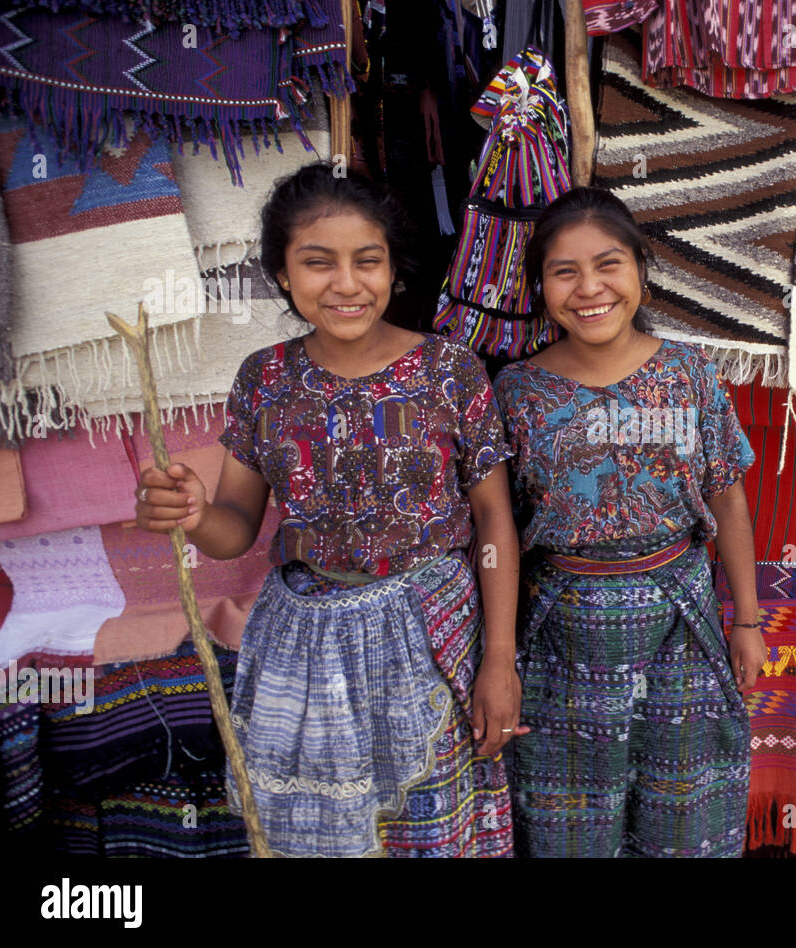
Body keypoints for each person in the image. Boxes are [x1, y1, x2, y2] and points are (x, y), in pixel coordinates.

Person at [133, 162, 527, 857]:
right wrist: (193, 513)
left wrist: (499, 658)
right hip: (306, 648)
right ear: (283, 274)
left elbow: (494, 520)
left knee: (428, 825)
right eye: (318, 263)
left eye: (366, 261)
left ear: (393, 270)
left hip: (432, 637)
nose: (346, 284)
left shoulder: (449, 370)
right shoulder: (266, 378)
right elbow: (234, 528)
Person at [494, 186, 768, 857]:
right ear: (540, 288)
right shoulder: (516, 392)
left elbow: (728, 498)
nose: (589, 288)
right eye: (564, 271)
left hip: (682, 617)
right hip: (563, 631)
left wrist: (748, 619)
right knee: (569, 813)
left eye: (608, 264)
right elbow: (496, 532)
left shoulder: (690, 376)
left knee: (683, 806)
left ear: (641, 272)